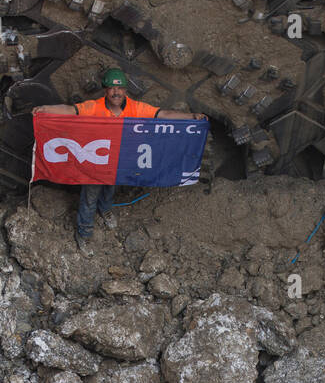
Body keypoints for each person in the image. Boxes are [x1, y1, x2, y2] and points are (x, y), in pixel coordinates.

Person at [34, 67, 204, 250]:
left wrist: (191, 117)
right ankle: (84, 233)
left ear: (125, 90)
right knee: (89, 197)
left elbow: (163, 115)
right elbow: (71, 110)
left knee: (110, 190)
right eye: (112, 88)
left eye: (120, 88)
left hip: (119, 162)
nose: (116, 92)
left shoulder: (136, 108)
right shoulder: (94, 107)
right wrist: (45, 109)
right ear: (105, 90)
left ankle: (105, 210)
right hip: (95, 163)